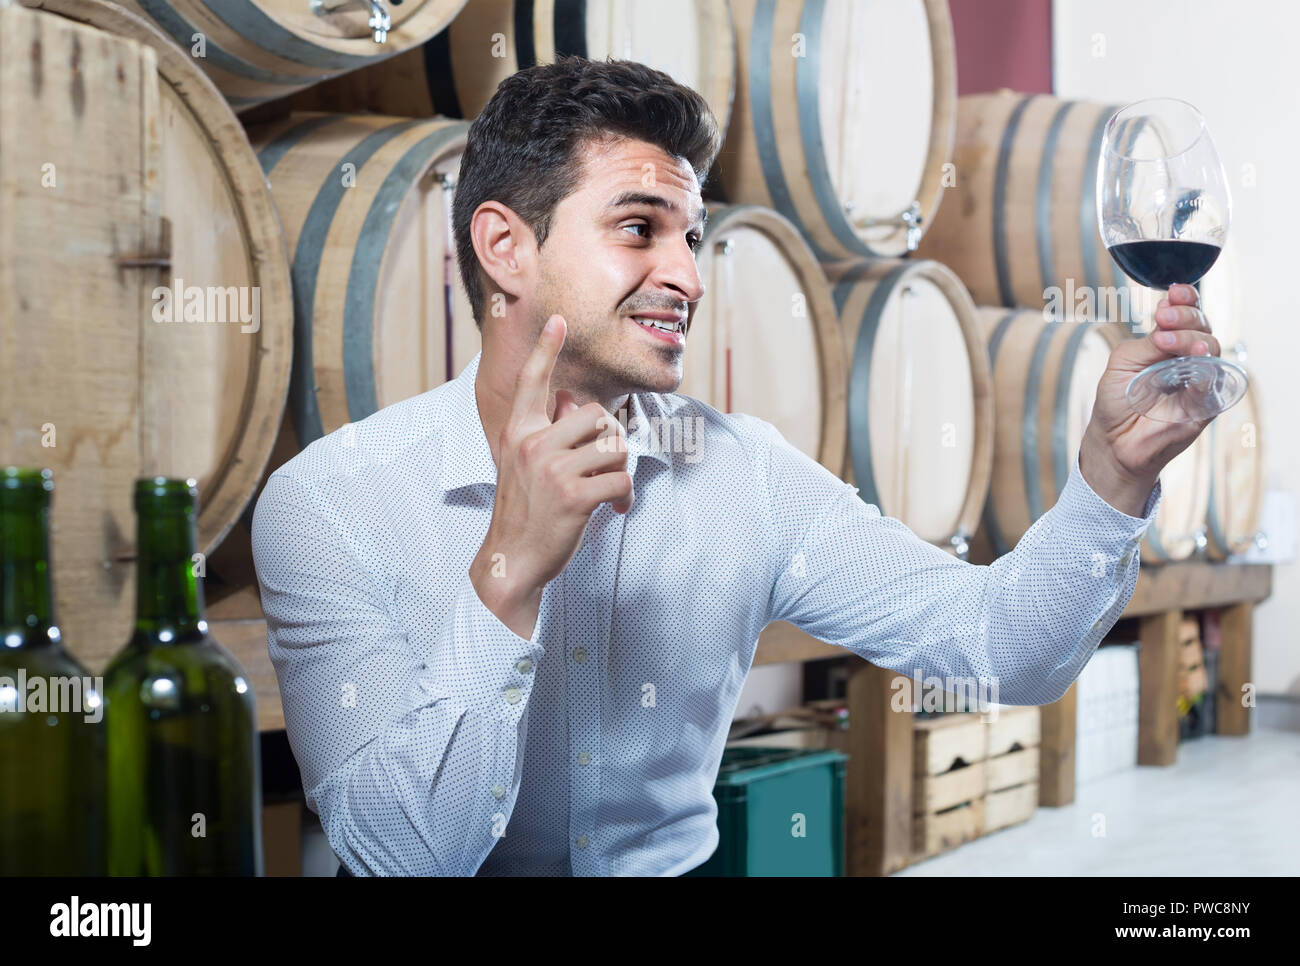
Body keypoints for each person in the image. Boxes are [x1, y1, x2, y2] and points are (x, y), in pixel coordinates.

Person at [252, 56, 1219, 876]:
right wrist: (506, 570)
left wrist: (1112, 477)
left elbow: (1001, 646)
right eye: (639, 229)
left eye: (694, 238)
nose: (688, 276)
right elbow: (406, 856)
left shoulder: (738, 471)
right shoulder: (330, 505)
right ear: (504, 246)